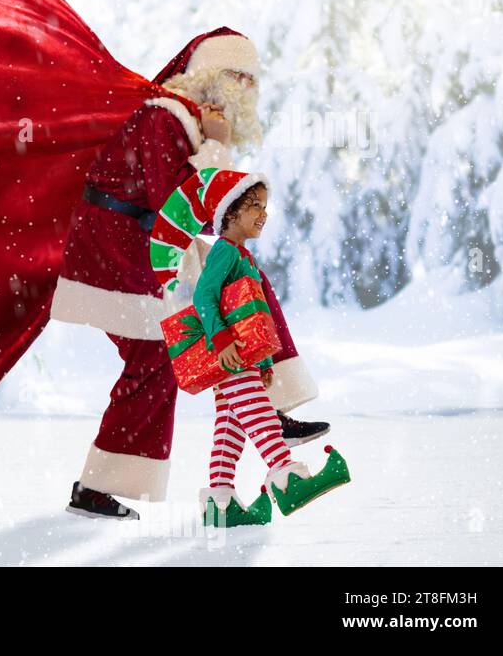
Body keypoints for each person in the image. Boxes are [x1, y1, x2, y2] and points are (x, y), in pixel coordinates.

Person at [56, 28, 331, 521]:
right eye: (232, 73)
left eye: (249, 77)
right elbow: (185, 206)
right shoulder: (168, 117)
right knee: (164, 350)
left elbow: (189, 211)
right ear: (204, 74)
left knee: (242, 285)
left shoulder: (183, 121)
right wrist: (218, 149)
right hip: (116, 248)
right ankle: (98, 488)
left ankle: (268, 413)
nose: (241, 85)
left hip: (134, 244)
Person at [169, 168, 351, 525]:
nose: (262, 214)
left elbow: (253, 312)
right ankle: (287, 475)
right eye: (253, 205)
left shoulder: (242, 256)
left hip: (243, 355)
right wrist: (221, 340)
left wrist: (265, 361)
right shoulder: (225, 251)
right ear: (228, 213)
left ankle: (220, 505)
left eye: (265, 206)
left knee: (230, 427)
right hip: (231, 353)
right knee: (261, 415)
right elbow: (206, 295)